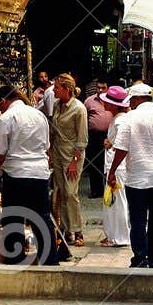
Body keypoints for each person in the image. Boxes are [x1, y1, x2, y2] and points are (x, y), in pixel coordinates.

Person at [0, 85, 64, 265]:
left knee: (13, 217)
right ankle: (51, 261)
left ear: (4, 101)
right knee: (42, 218)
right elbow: (46, 146)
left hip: (16, 173)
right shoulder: (39, 116)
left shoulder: (6, 118)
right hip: (38, 173)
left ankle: (15, 259)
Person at [108, 82, 153, 269]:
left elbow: (122, 149)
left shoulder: (130, 118)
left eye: (131, 100)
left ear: (138, 99)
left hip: (138, 178)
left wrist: (112, 171)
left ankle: (140, 257)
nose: (130, 104)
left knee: (138, 219)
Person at [48, 73, 88, 247]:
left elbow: (82, 139)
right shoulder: (57, 105)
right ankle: (65, 228)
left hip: (72, 154)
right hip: (57, 152)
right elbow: (54, 131)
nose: (54, 91)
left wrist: (74, 160)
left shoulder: (79, 109)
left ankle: (77, 229)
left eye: (57, 87)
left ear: (66, 89)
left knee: (71, 193)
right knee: (61, 192)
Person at [97, 85, 131, 246]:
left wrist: (110, 143)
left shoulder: (120, 121)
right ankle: (112, 234)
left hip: (117, 167)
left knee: (118, 202)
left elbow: (121, 145)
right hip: (114, 166)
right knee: (111, 201)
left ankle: (120, 236)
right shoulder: (118, 120)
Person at [83, 81, 114, 198]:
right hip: (94, 135)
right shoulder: (89, 101)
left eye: (103, 88)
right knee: (94, 162)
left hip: (110, 135)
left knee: (108, 161)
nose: (100, 90)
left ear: (108, 88)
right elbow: (84, 117)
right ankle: (96, 190)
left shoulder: (112, 100)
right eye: (98, 88)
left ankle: (109, 188)